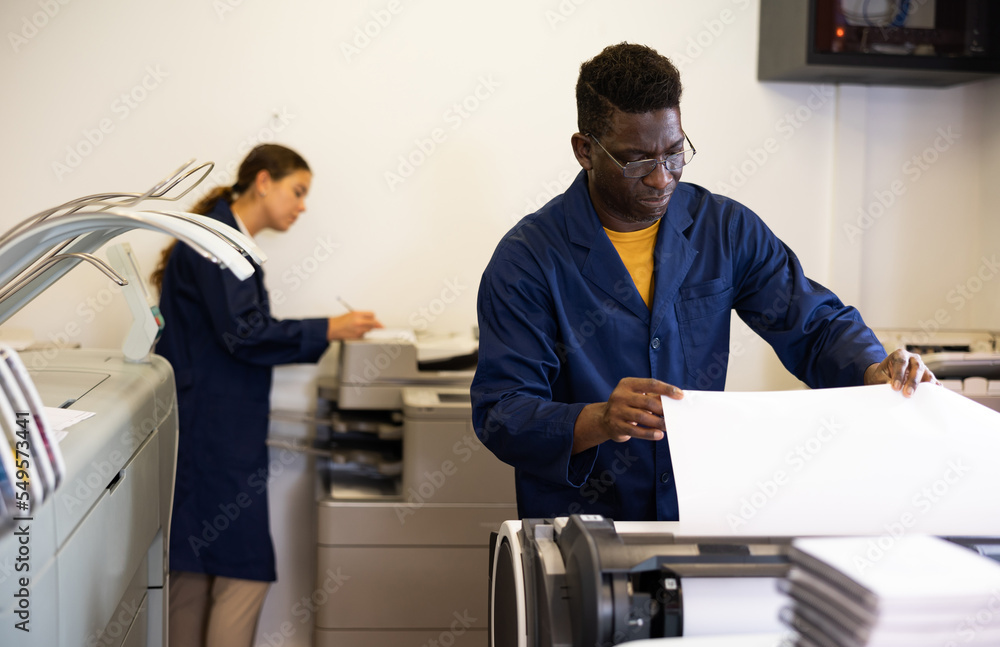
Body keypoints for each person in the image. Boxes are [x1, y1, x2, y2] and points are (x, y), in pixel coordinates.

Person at [470, 43, 935, 523]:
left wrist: (871, 369)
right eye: (636, 161)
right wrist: (600, 420)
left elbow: (813, 323)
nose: (660, 178)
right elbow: (503, 412)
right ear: (585, 150)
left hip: (697, 511)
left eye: (674, 154)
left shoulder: (724, 229)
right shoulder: (528, 259)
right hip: (581, 529)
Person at [151, 144, 382, 647]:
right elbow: (246, 334)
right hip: (213, 433)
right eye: (297, 192)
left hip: (209, 426)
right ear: (262, 181)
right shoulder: (220, 242)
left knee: (193, 571)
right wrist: (331, 328)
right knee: (241, 571)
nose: (302, 206)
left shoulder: (225, 237)